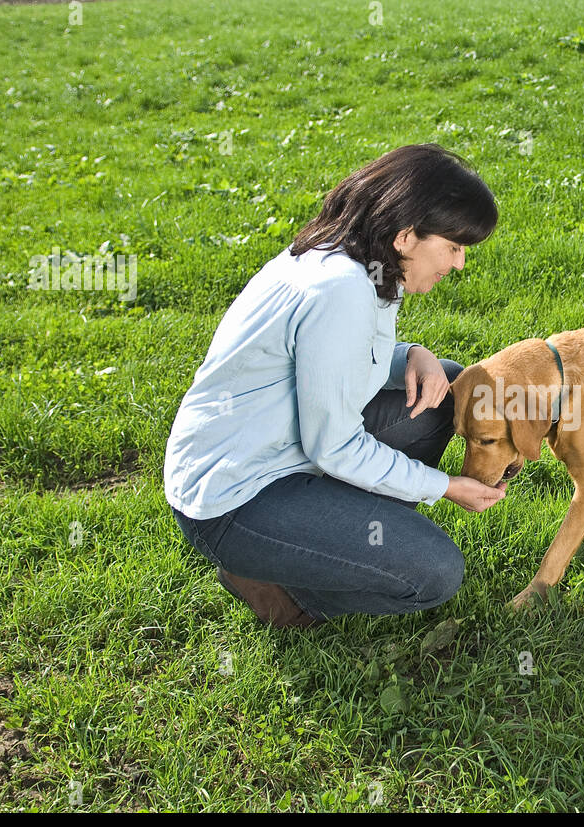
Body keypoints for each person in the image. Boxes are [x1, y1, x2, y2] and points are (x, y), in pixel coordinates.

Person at [165, 143, 505, 628]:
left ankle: (332, 538)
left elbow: (334, 361)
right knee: (434, 572)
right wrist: (443, 486)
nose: (459, 263)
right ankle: (284, 587)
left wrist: (412, 355)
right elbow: (337, 447)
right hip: (234, 499)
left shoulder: (365, 263)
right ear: (407, 235)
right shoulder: (339, 290)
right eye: (453, 246)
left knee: (443, 387)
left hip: (279, 450)